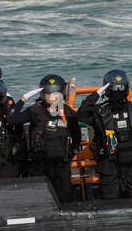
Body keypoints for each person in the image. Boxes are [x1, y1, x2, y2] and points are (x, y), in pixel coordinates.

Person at [78, 69, 132, 200]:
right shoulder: (100, 111)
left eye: (121, 88)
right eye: (114, 88)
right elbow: (81, 114)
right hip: (109, 165)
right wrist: (97, 94)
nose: (118, 91)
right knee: (111, 199)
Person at [9, 74, 82, 203]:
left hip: (61, 165)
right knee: (41, 200)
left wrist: (72, 151)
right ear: (43, 94)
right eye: (48, 93)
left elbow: (76, 134)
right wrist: (23, 99)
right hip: (40, 165)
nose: (52, 97)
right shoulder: (34, 111)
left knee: (65, 198)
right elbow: (12, 118)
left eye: (55, 93)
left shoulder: (68, 112)